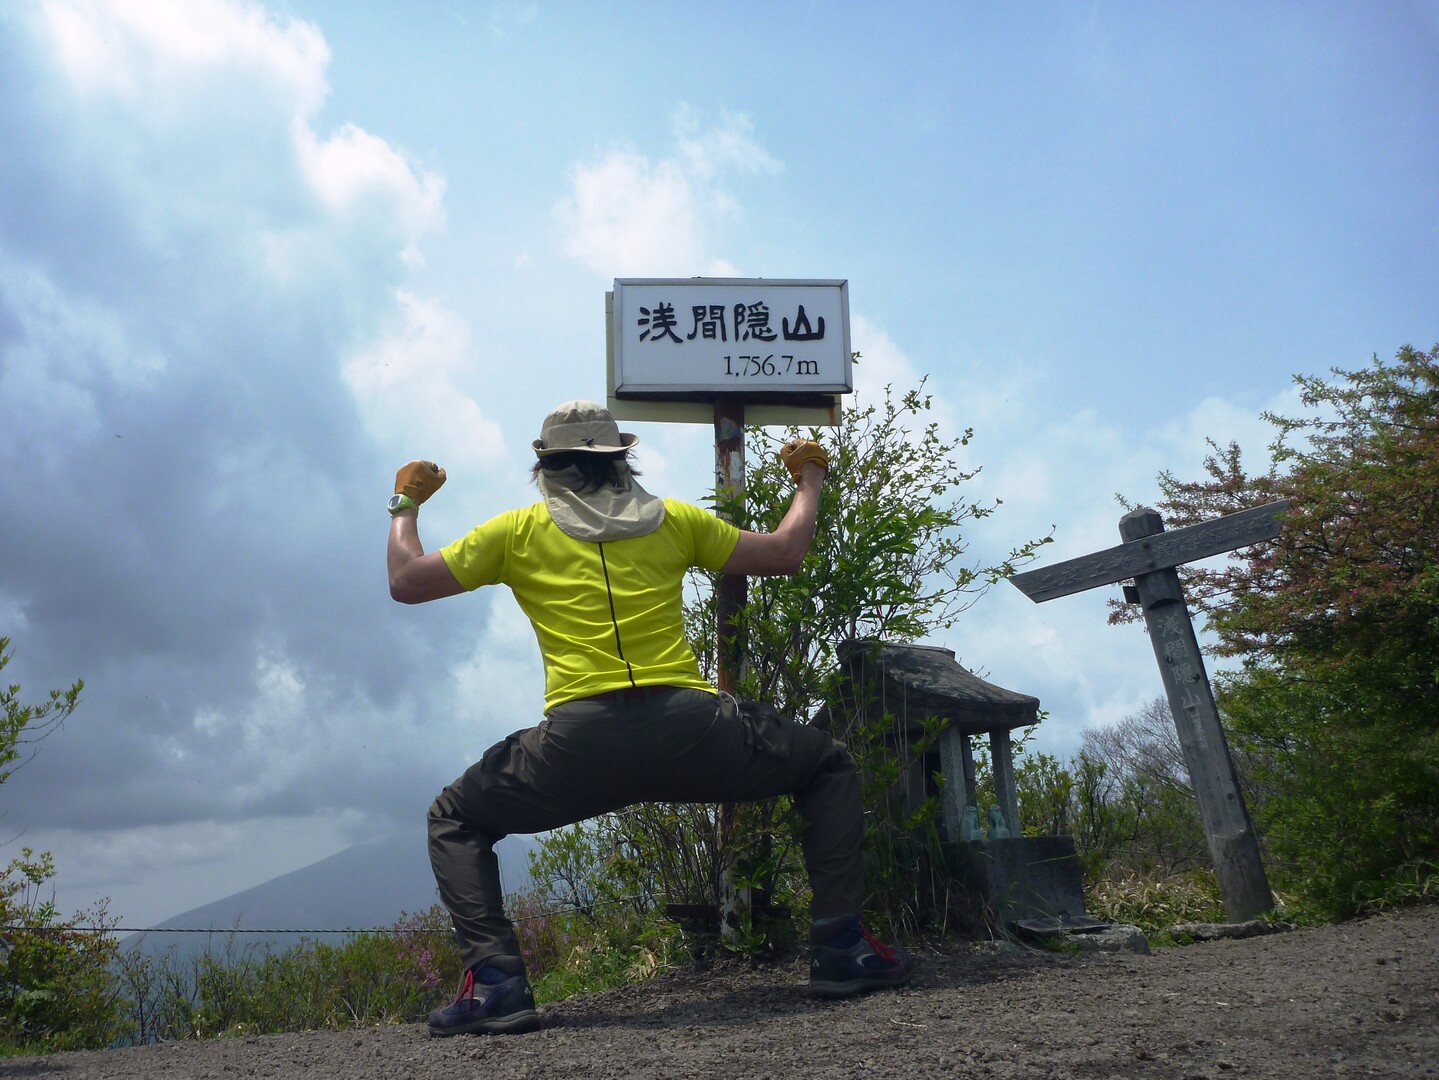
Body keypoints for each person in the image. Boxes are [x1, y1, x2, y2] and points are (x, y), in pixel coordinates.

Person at [386, 400, 913, 1038]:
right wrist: (809, 479)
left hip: (577, 747)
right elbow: (784, 552)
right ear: (621, 461)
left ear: (546, 467)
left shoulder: (517, 532)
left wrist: (405, 503)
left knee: (456, 817)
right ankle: (840, 948)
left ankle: (496, 983)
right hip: (694, 731)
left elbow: (408, 580)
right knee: (826, 764)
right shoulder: (675, 522)